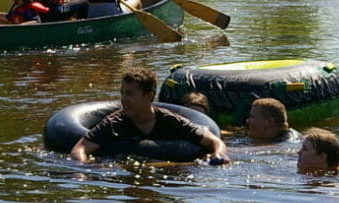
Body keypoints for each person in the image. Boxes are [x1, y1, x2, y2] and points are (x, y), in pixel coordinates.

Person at [70, 68, 229, 164]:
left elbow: (214, 141)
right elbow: (80, 149)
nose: (124, 100)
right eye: (123, 93)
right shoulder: (114, 123)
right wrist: (84, 170)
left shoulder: (170, 120)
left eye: (130, 94)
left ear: (149, 96)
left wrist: (218, 155)